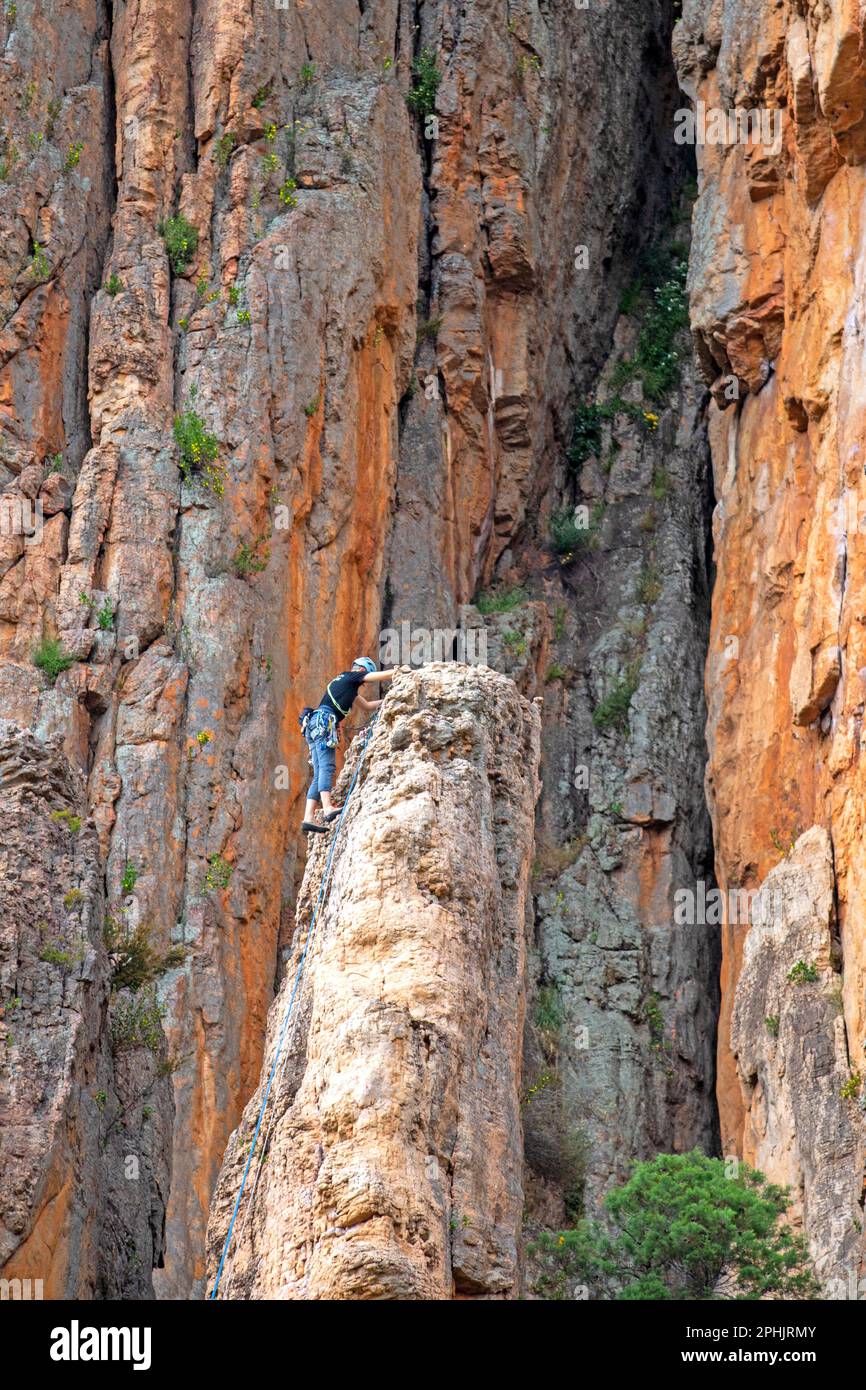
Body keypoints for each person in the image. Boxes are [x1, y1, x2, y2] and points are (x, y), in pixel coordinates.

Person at [301, 657, 395, 833]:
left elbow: (366, 706)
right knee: (327, 767)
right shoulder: (351, 676)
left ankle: (308, 817)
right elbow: (379, 675)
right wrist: (400, 673)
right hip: (323, 722)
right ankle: (328, 808)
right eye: (364, 678)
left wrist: (388, 700)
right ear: (361, 670)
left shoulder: (346, 684)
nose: (363, 684)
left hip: (314, 725)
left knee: (319, 772)